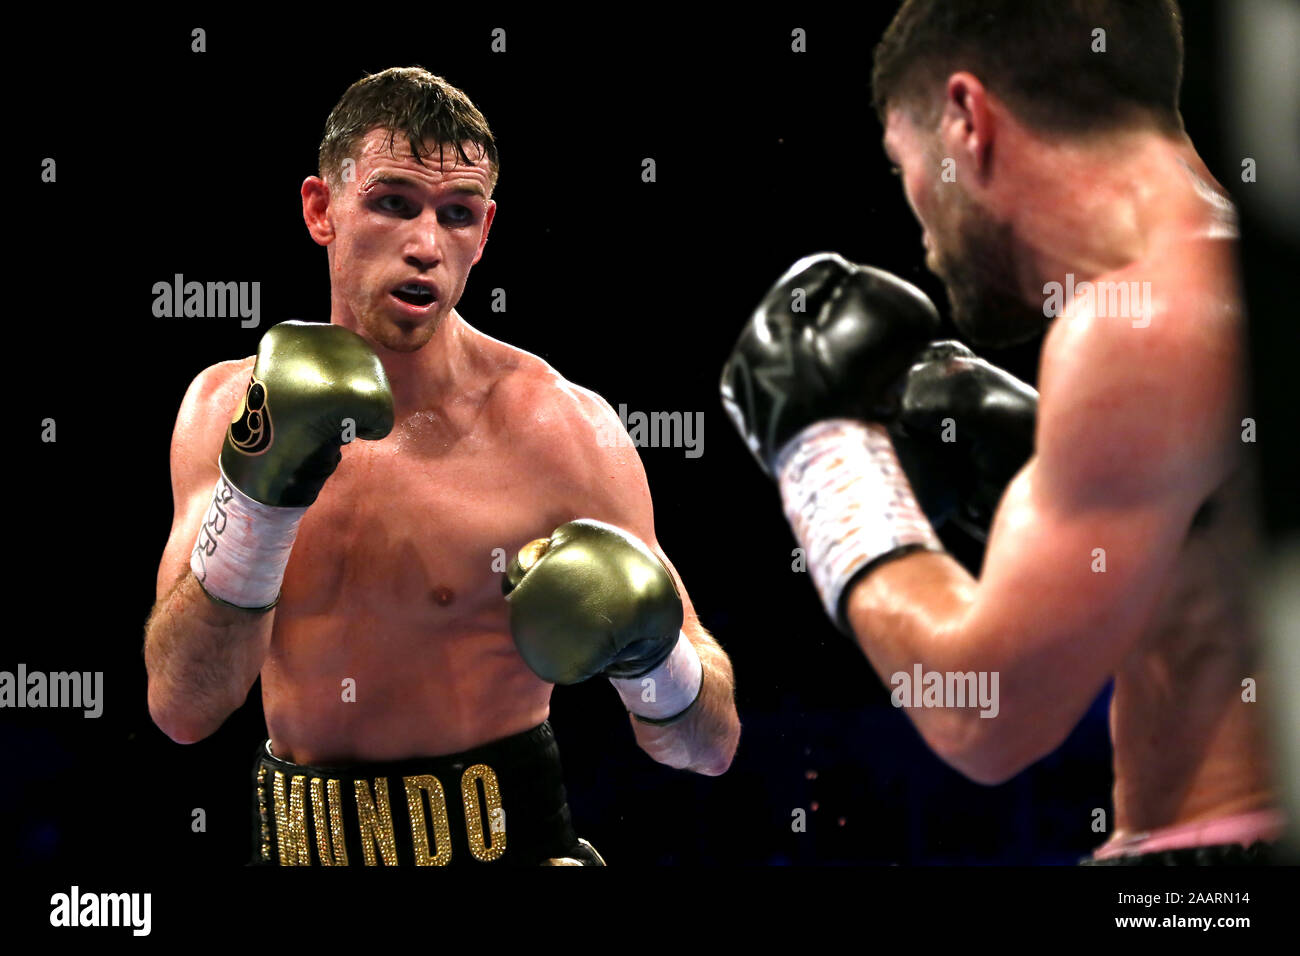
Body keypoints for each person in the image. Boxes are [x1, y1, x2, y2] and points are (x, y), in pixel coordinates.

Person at [722, 0, 1281, 864]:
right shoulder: (1229, 274)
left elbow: (980, 714)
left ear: (967, 119)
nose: (923, 232)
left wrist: (827, 458)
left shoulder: (1135, 329)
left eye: (904, 165)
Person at [145, 66, 739, 866]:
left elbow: (707, 747)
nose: (427, 245)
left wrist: (654, 658)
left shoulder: (560, 432)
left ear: (484, 233)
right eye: (393, 203)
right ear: (322, 209)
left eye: (456, 215)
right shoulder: (226, 410)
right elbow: (183, 706)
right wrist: (259, 503)